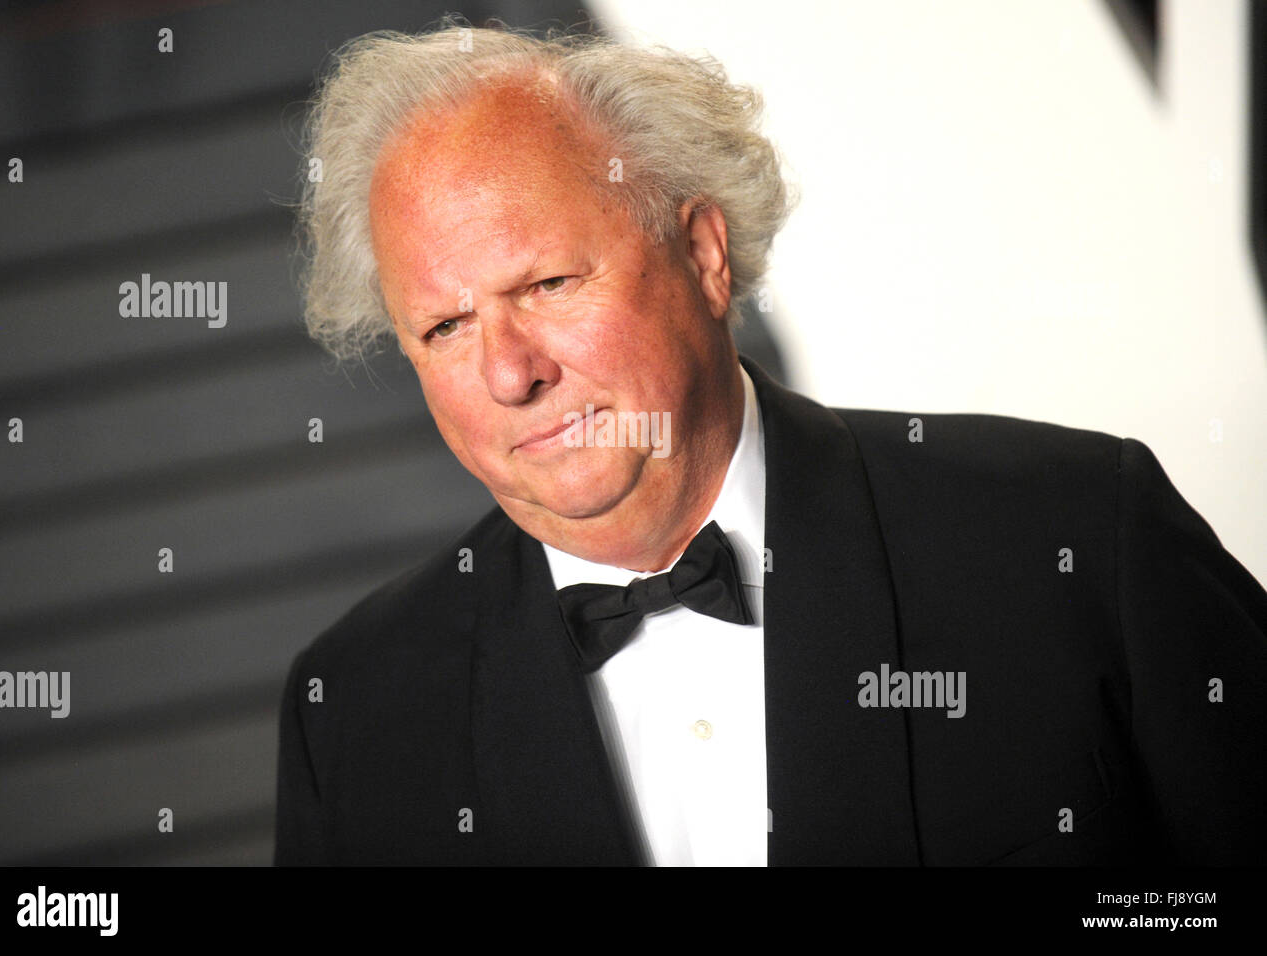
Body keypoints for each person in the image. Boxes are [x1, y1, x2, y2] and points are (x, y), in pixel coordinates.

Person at [275, 21, 1267, 866]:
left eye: (547, 286)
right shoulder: (355, 717)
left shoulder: (1080, 537)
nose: (509, 372)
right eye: (445, 327)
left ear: (703, 254)